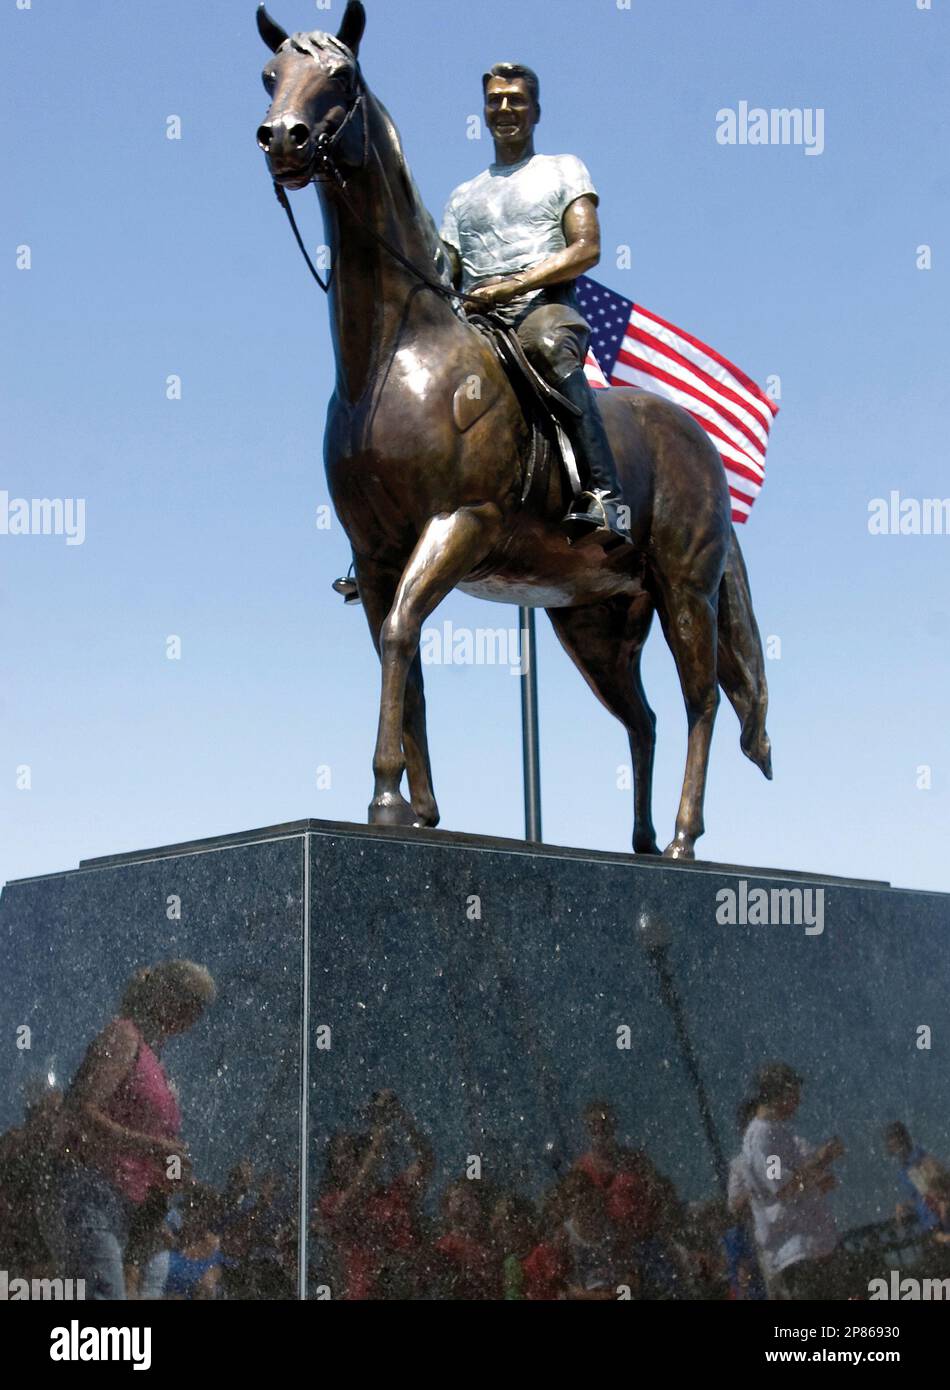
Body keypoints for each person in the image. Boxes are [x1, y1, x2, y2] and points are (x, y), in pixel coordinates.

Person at [440, 62, 632, 547]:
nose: (505, 108)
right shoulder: (461, 197)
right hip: (477, 321)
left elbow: (586, 248)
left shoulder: (563, 168)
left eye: (516, 100)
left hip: (542, 309)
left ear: (536, 111)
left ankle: (607, 497)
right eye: (495, 100)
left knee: (547, 346)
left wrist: (512, 286)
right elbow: (446, 274)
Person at [59, 960, 216, 1299]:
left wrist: (169, 1172)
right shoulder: (123, 1035)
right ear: (167, 997)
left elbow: (148, 1143)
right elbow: (80, 1110)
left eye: (198, 1012)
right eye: (192, 1006)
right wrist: (153, 1148)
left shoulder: (151, 1055)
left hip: (128, 1210)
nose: (193, 1020)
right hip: (94, 1195)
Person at [740, 1062, 843, 1300]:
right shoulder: (762, 1137)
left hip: (808, 1245)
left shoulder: (776, 1131)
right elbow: (784, 1188)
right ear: (778, 1094)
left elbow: (790, 1181)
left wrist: (817, 1174)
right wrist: (820, 1161)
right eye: (794, 1094)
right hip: (794, 1250)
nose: (798, 1101)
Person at [884, 1121, 944, 1234]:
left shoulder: (913, 1162)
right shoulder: (909, 1162)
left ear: (900, 1140)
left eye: (891, 1140)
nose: (889, 1145)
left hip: (935, 1222)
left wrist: (904, 1206)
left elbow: (927, 1194)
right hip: (932, 1222)